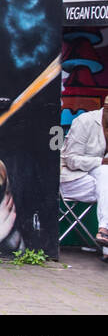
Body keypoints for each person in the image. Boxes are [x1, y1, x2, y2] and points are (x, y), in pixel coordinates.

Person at [59, 105, 108, 247]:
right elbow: (71, 160)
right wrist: (101, 161)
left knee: (105, 174)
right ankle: (104, 231)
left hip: (99, 183)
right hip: (70, 180)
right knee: (105, 172)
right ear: (106, 109)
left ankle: (105, 236)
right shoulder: (85, 121)